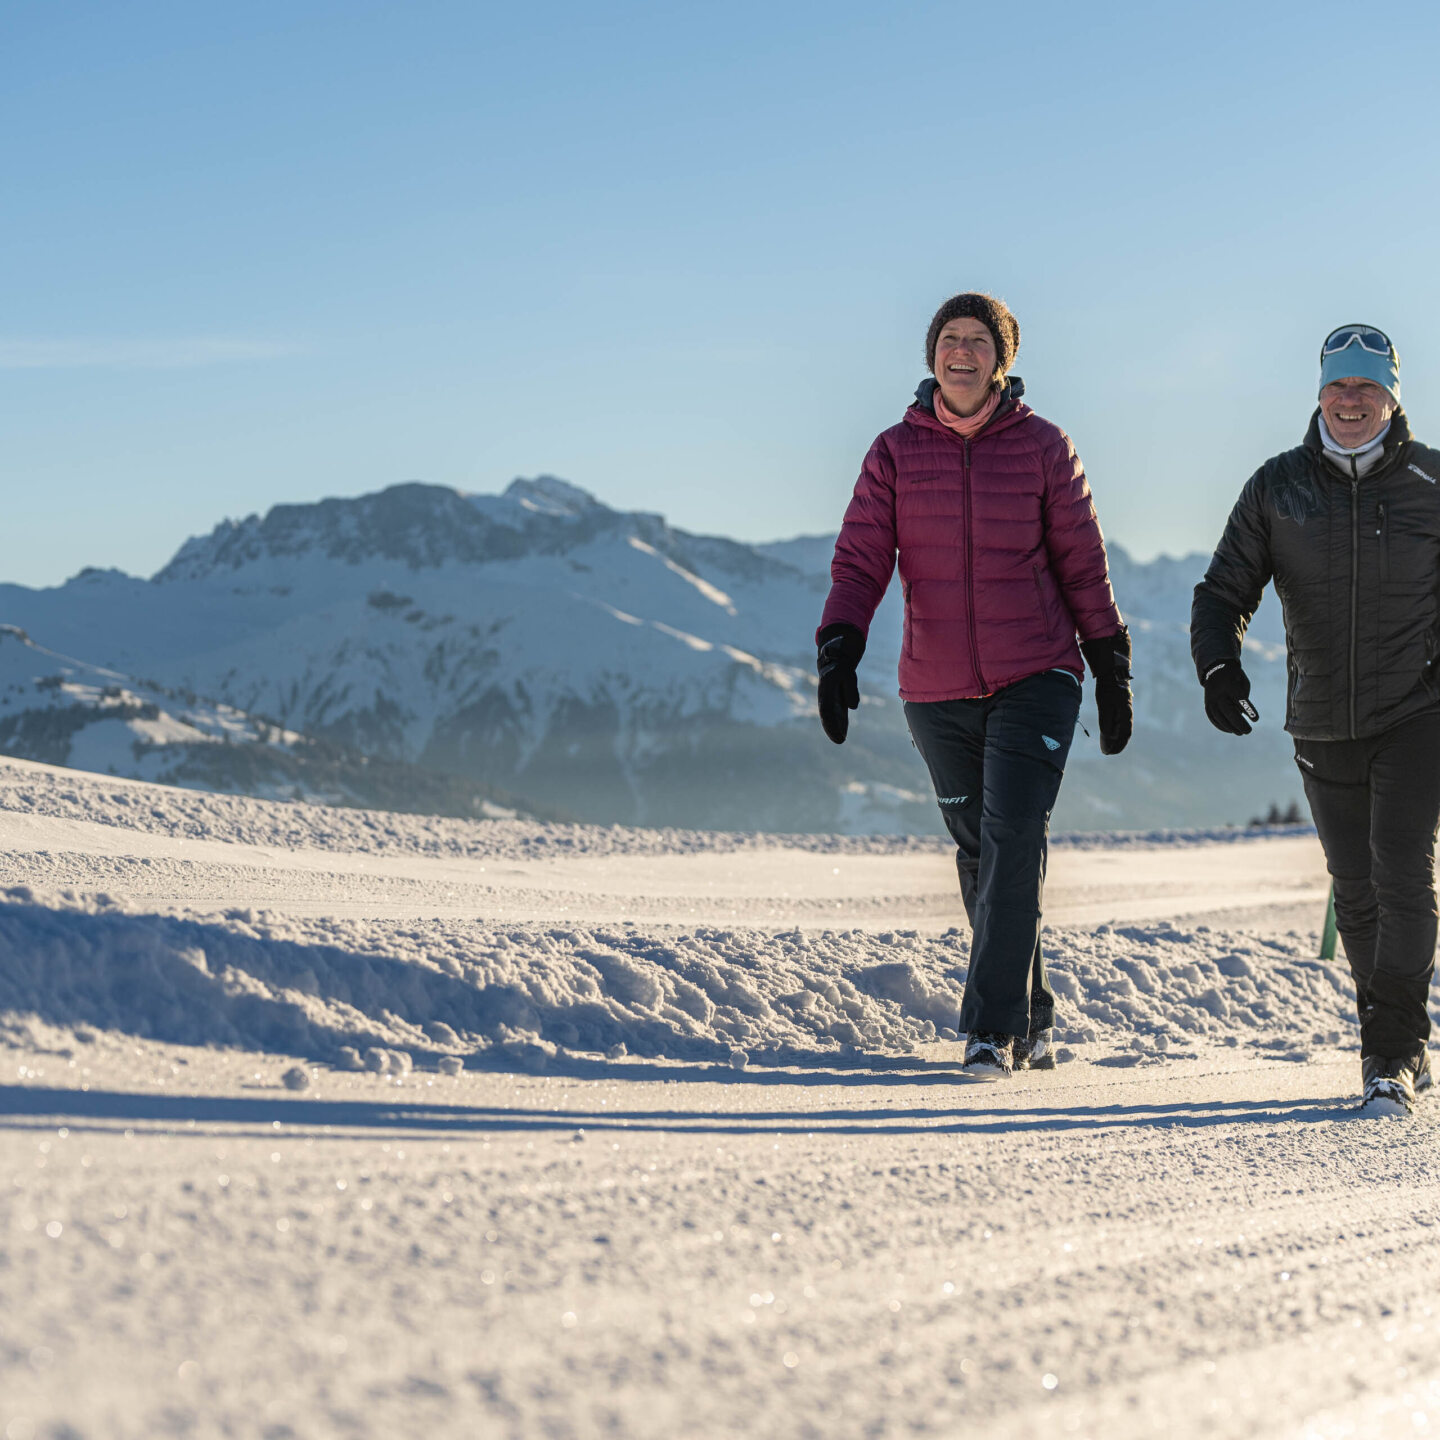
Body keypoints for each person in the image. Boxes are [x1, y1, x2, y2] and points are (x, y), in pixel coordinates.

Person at [815, 292, 1132, 1078]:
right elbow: (861, 559)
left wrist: (1110, 665)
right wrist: (839, 647)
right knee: (983, 854)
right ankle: (1034, 1014)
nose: (962, 352)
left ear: (1003, 359)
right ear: (932, 356)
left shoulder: (1043, 448)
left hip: (1038, 673)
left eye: (978, 342)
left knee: (1013, 834)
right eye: (950, 340)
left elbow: (1083, 566)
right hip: (937, 688)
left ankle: (991, 1031)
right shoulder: (893, 453)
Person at [1192, 323, 1440, 1116]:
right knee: (1356, 889)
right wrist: (1218, 666)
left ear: (1393, 396)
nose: (1352, 400)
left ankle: (1389, 1055)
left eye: (1368, 386)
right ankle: (1395, 1041)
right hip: (1321, 717)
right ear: (1320, 393)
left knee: (1403, 874)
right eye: (1339, 385)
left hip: (1419, 709)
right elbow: (1222, 591)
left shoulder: (1432, 482)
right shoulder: (1279, 486)